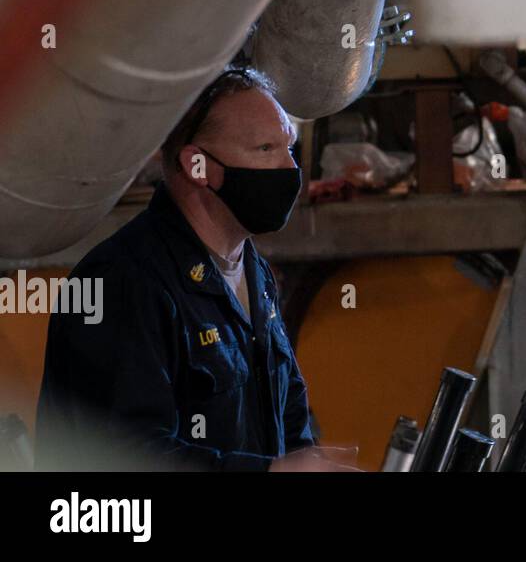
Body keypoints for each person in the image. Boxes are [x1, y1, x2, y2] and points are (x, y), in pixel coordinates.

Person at [36, 66, 354, 471]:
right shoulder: (122, 283)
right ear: (198, 166)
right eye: (264, 149)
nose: (289, 169)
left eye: (288, 148)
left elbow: (290, 420)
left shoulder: (251, 270)